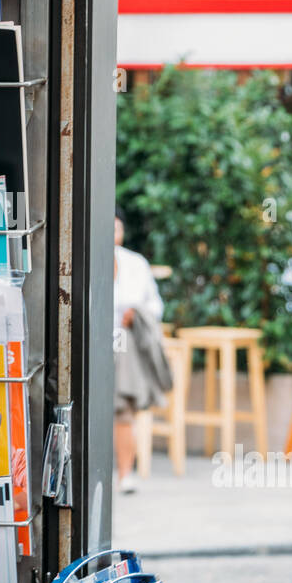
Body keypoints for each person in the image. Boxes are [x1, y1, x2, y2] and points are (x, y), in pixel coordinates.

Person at [113, 207, 166, 495]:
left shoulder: (136, 264)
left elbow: (156, 306)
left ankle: (124, 474)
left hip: (125, 347)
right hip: (93, 345)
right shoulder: (81, 260)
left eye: (116, 228)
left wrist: (137, 313)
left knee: (121, 407)